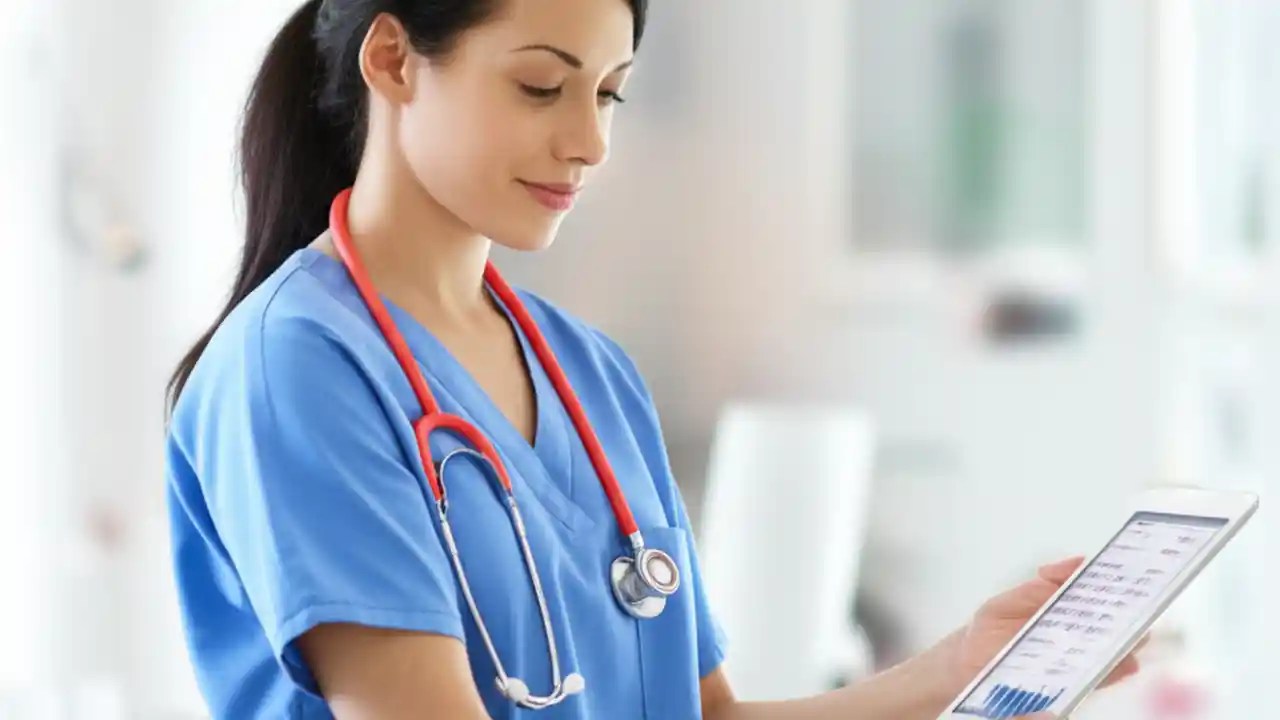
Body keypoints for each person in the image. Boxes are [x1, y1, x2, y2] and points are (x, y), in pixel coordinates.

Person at [163, 1, 1140, 718]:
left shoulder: (589, 374)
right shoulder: (296, 370)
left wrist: (961, 666)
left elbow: (703, 717)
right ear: (393, 60)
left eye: (609, 94)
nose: (587, 141)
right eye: (540, 86)